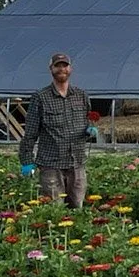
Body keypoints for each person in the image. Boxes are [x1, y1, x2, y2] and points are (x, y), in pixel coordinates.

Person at [18, 52, 92, 208]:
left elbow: (87, 120)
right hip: (51, 164)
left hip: (77, 162)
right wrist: (26, 160)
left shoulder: (81, 95)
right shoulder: (40, 97)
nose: (61, 69)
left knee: (77, 207)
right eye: (57, 66)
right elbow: (30, 133)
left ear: (70, 68)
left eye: (65, 65)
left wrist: (90, 130)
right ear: (51, 69)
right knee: (55, 209)